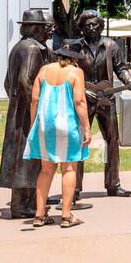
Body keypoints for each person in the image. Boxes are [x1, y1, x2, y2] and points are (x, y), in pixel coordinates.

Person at [23, 43, 92, 228]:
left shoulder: (44, 70)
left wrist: (33, 124)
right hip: (68, 126)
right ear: (74, 58)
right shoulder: (76, 73)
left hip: (45, 126)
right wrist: (86, 127)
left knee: (46, 170)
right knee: (69, 169)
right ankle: (67, 215)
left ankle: (39, 215)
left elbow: (34, 100)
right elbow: (79, 101)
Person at [74, 10, 131, 198]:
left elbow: (121, 68)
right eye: (87, 25)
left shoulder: (111, 46)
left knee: (112, 141)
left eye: (95, 24)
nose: (91, 28)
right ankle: (75, 187)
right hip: (83, 100)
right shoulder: (77, 47)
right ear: (82, 28)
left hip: (106, 100)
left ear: (101, 26)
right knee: (80, 142)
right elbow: (69, 70)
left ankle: (113, 184)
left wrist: (129, 80)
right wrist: (83, 90)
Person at [0, 8, 53, 218]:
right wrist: (37, 106)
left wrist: (16, 102)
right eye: (45, 27)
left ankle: (30, 199)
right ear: (35, 28)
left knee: (24, 154)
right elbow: (24, 80)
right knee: (27, 155)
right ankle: (21, 205)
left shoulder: (19, 47)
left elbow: (7, 83)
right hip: (28, 110)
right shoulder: (32, 49)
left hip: (18, 108)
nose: (49, 30)